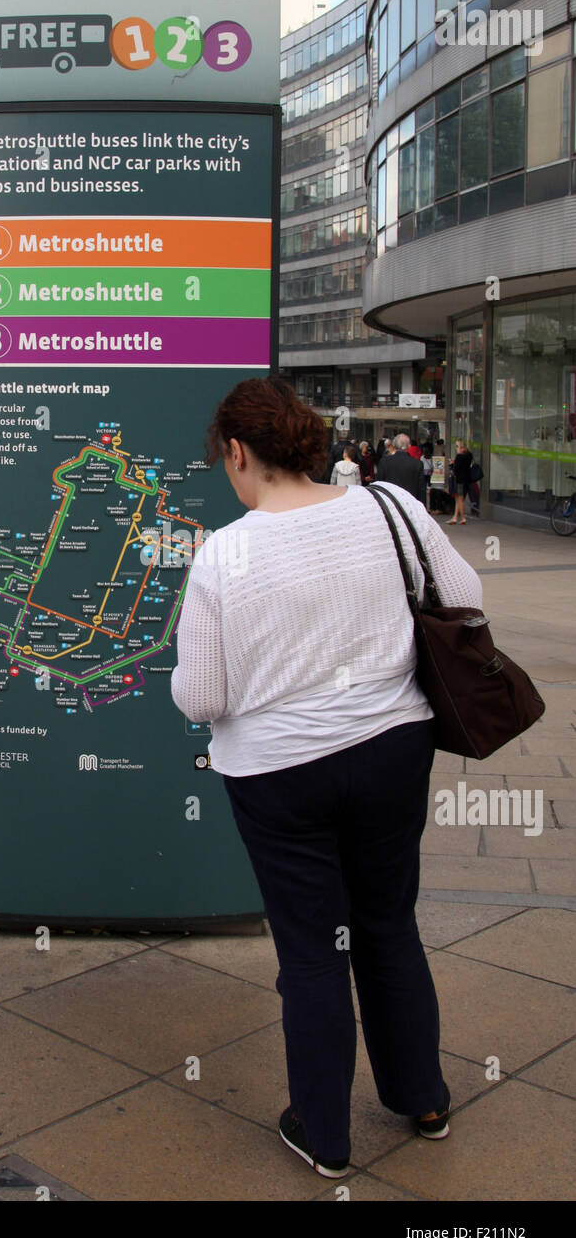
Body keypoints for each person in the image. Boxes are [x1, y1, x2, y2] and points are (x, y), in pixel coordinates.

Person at [170, 376, 482, 1177]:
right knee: (387, 924)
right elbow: (465, 598)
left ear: (238, 452)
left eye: (224, 460)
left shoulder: (224, 554)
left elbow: (202, 696)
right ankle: (423, 1099)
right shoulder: (392, 509)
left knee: (312, 951)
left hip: (280, 777)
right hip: (391, 751)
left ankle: (325, 1134)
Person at [374, 432, 425, 501]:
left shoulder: (384, 462)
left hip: (390, 502)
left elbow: (378, 484)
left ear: (394, 446)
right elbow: (421, 490)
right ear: (409, 446)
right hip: (410, 503)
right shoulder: (417, 464)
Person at [448, 441, 473, 525]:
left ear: (461, 448)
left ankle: (462, 518)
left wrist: (451, 464)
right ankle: (455, 517)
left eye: (457, 446)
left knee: (459, 499)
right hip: (466, 479)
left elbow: (455, 469)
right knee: (459, 499)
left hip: (459, 480)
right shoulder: (469, 455)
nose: (456, 448)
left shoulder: (459, 456)